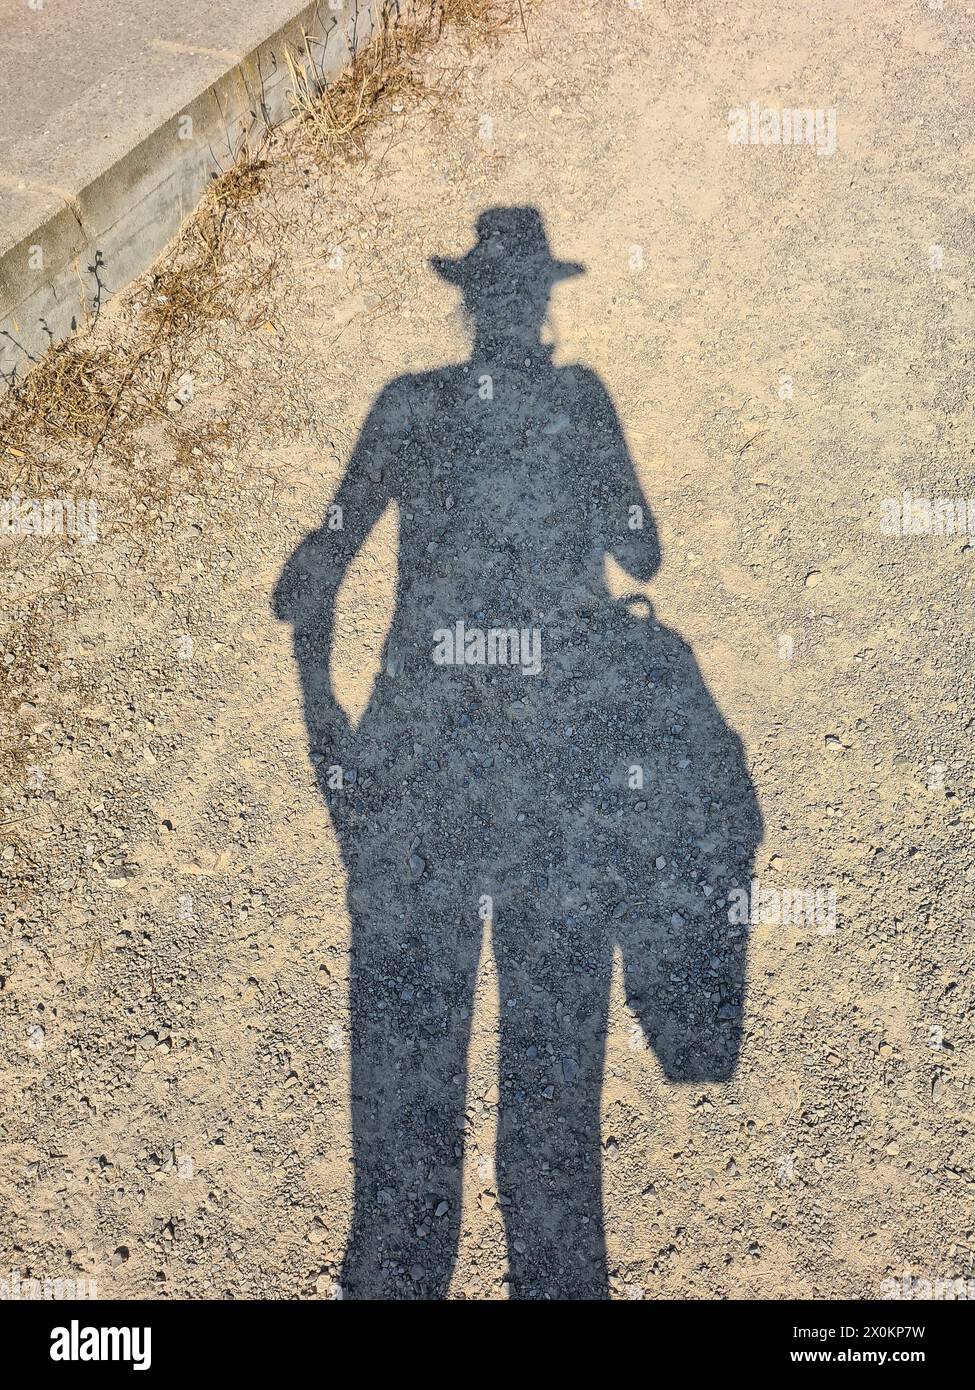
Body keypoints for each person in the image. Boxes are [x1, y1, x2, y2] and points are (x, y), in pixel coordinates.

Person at [273, 206, 762, 1299]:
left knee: (408, 1088)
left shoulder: (407, 407)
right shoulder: (578, 401)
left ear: (468, 301)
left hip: (418, 779)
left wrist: (335, 745)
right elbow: (644, 547)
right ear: (538, 301)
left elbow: (310, 579)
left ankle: (400, 1277)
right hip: (556, 780)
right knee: (551, 1087)